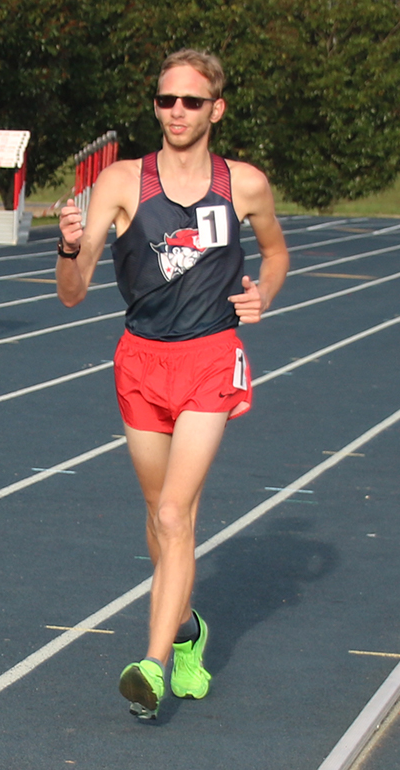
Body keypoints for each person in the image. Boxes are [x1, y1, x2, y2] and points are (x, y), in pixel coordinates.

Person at [55, 49, 290, 720]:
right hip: (141, 361)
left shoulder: (243, 183)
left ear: (216, 107)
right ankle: (190, 631)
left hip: (211, 356)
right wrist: (69, 248)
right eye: (166, 101)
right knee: (160, 522)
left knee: (171, 515)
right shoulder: (123, 182)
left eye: (191, 101)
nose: (177, 112)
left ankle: (152, 665)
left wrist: (262, 293)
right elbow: (74, 292)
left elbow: (275, 252)